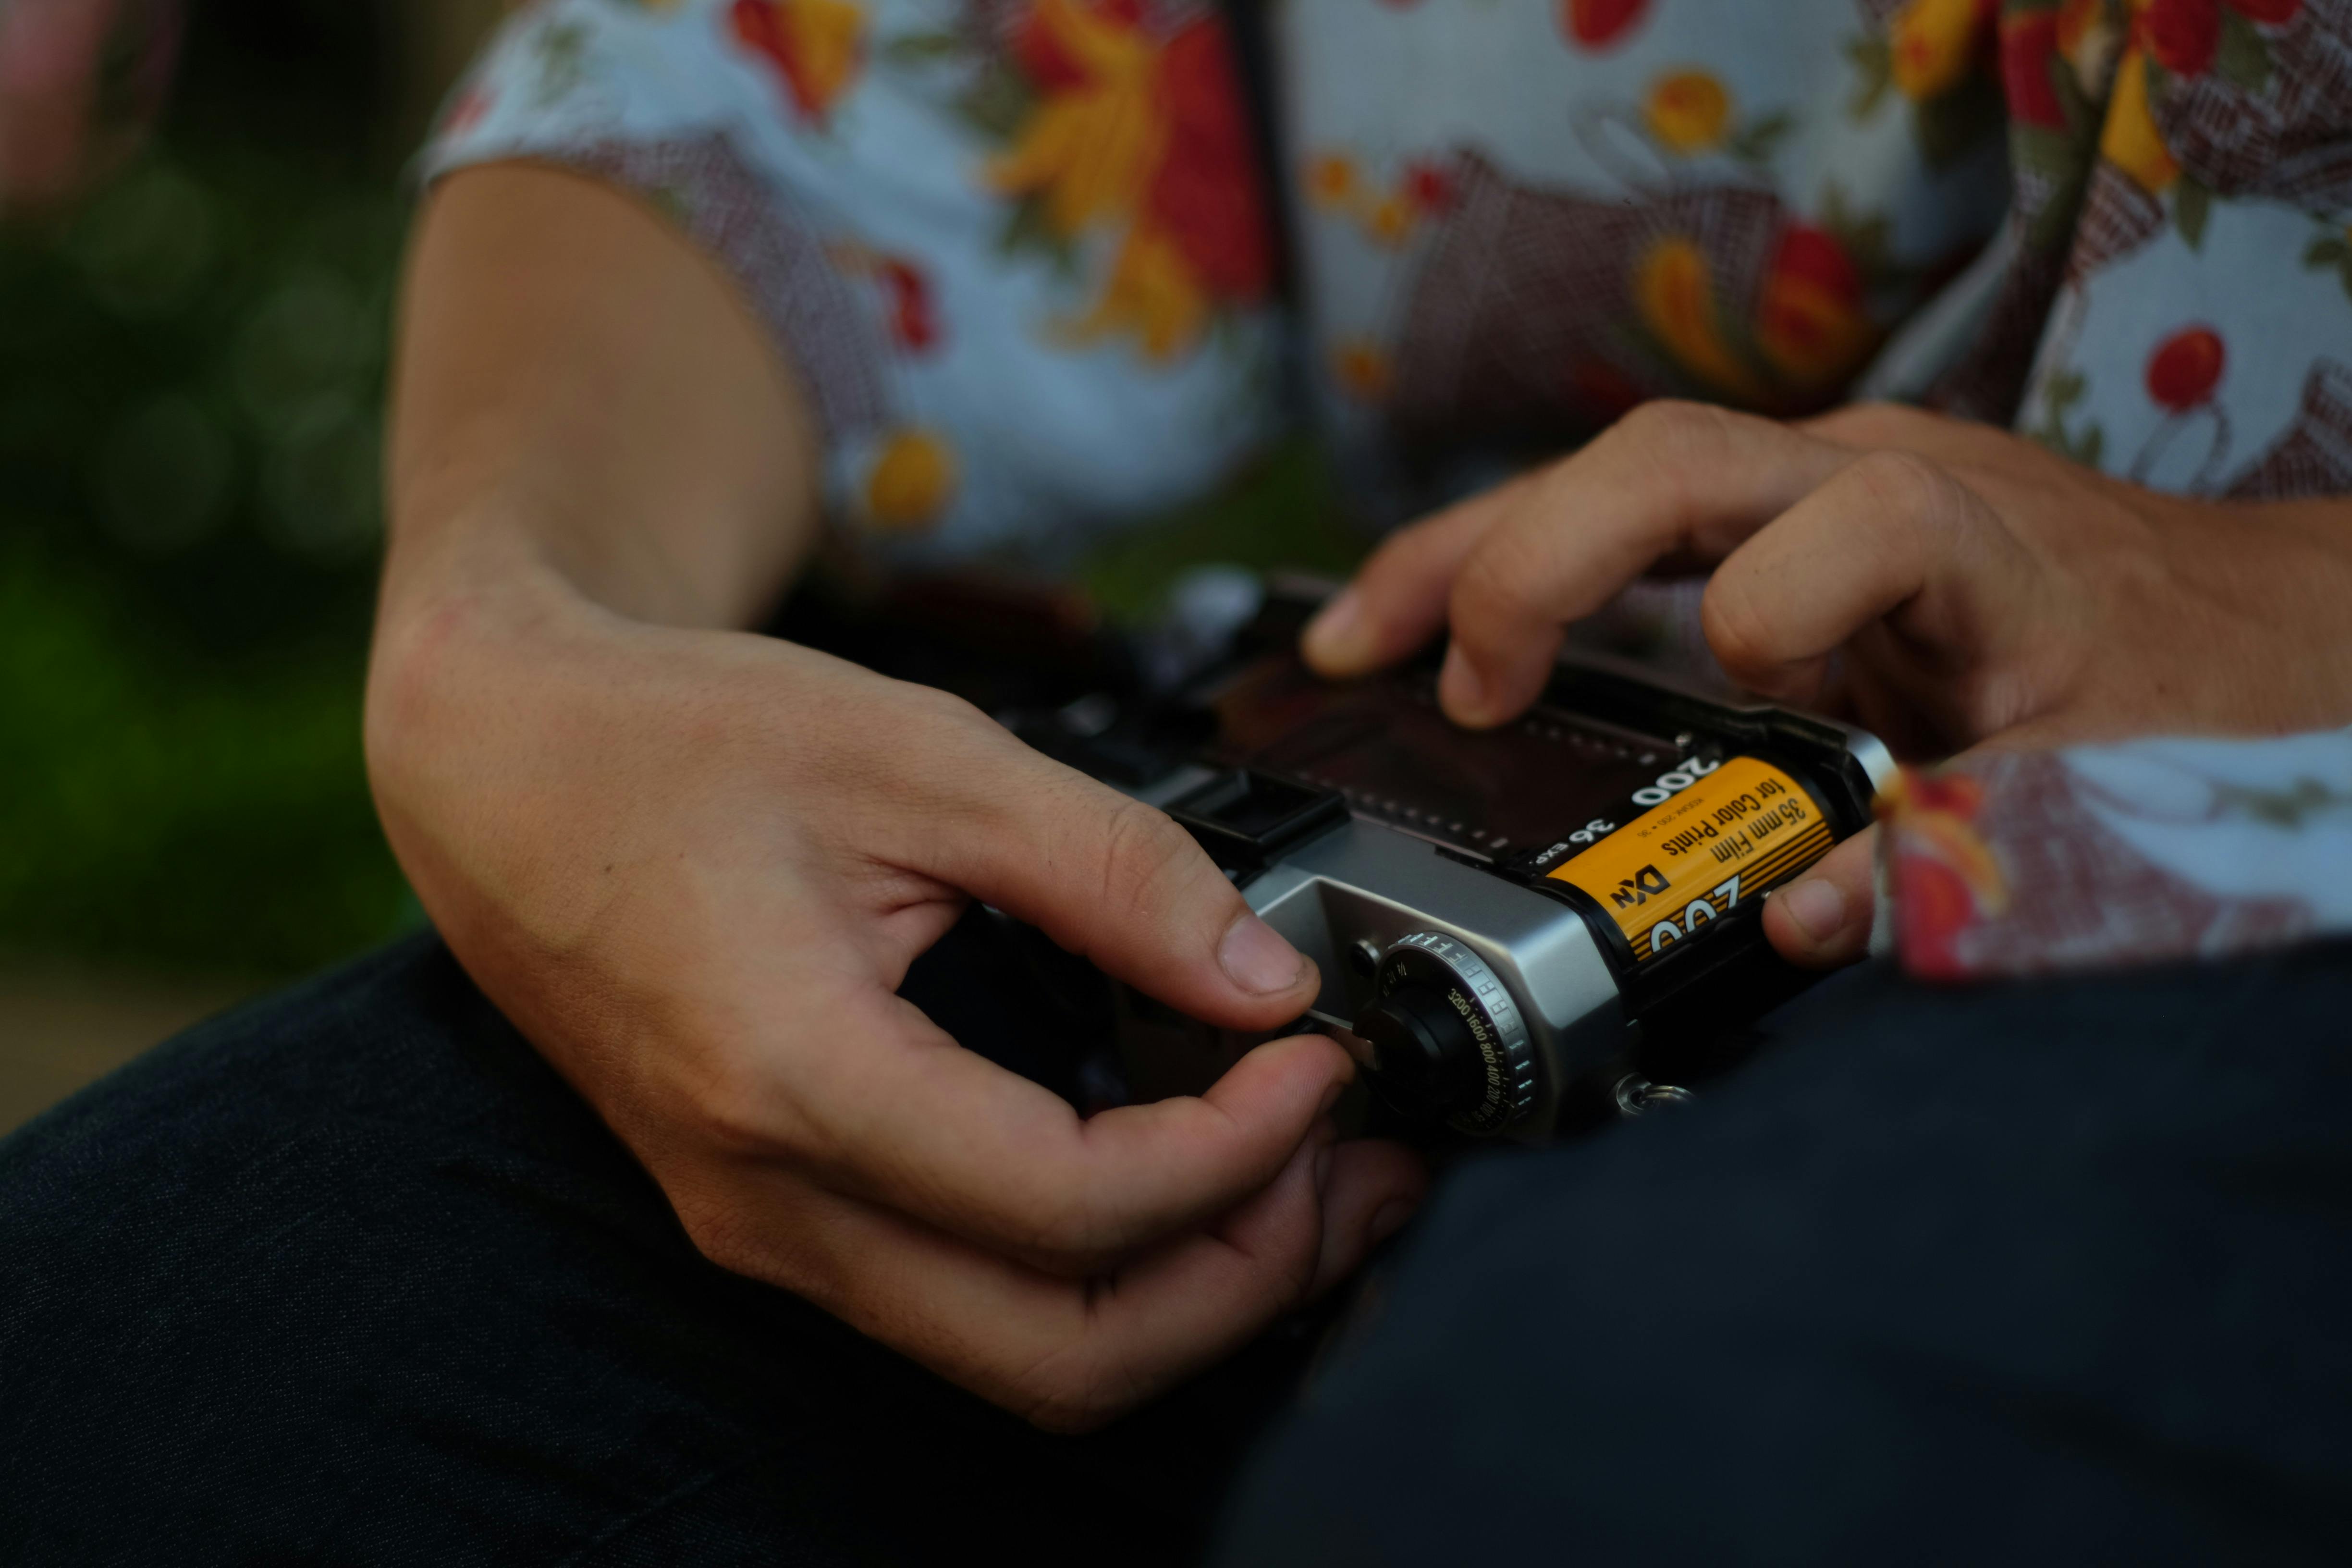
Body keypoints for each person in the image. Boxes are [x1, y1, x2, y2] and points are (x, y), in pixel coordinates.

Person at [6, 0, 2352, 1561]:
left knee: (1615, 1452)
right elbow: (855, 64)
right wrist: (501, 648)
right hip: (1435, 758)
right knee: (123, 1358)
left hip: (2260, 857)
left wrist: (2285, 596)